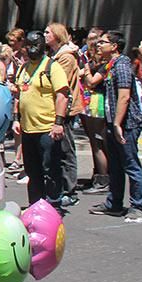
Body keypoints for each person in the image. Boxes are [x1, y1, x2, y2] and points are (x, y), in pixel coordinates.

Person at [89, 30, 142, 223]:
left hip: (126, 124)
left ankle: (138, 205)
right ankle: (114, 203)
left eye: (103, 42)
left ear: (114, 46)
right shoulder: (109, 65)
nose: (98, 45)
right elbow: (92, 84)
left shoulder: (122, 66)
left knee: (130, 164)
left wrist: (117, 124)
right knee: (115, 165)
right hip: (112, 123)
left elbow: (124, 97)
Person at [15, 30, 70, 209]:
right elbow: (19, 94)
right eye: (28, 45)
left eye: (35, 45)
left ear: (43, 46)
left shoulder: (52, 67)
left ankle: (54, 205)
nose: (31, 49)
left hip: (47, 128)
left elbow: (62, 96)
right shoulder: (23, 68)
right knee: (32, 171)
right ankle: (35, 205)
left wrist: (58, 123)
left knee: (51, 170)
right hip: (27, 129)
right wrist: (16, 119)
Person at [45, 22, 81, 207]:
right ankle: (60, 187)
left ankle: (69, 189)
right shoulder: (55, 56)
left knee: (66, 149)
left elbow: (58, 82)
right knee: (58, 150)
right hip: (54, 108)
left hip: (65, 110)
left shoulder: (65, 57)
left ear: (57, 35)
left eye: (48, 32)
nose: (44, 35)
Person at [78, 26, 110, 193]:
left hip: (96, 102)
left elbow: (91, 81)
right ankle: (98, 173)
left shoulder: (102, 61)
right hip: (88, 101)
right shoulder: (89, 58)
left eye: (94, 39)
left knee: (97, 142)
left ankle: (103, 179)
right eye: (89, 39)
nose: (91, 43)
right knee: (94, 141)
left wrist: (85, 72)